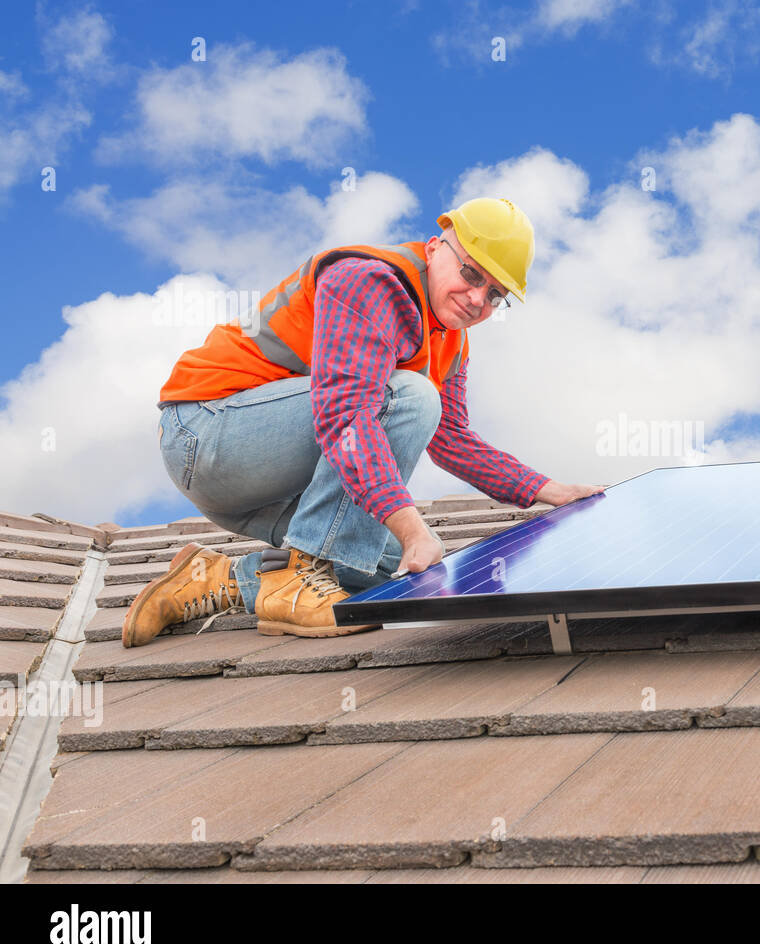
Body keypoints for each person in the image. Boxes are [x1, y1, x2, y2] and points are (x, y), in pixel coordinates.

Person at [123, 197, 602, 647]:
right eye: (471, 273)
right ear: (436, 247)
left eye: (495, 295)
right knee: (411, 397)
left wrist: (547, 488)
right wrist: (414, 528)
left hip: (261, 480)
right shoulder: (368, 280)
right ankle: (297, 572)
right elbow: (347, 412)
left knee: (378, 564)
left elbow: (452, 438)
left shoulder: (450, 339)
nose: (478, 299)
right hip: (206, 436)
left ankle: (218, 580)